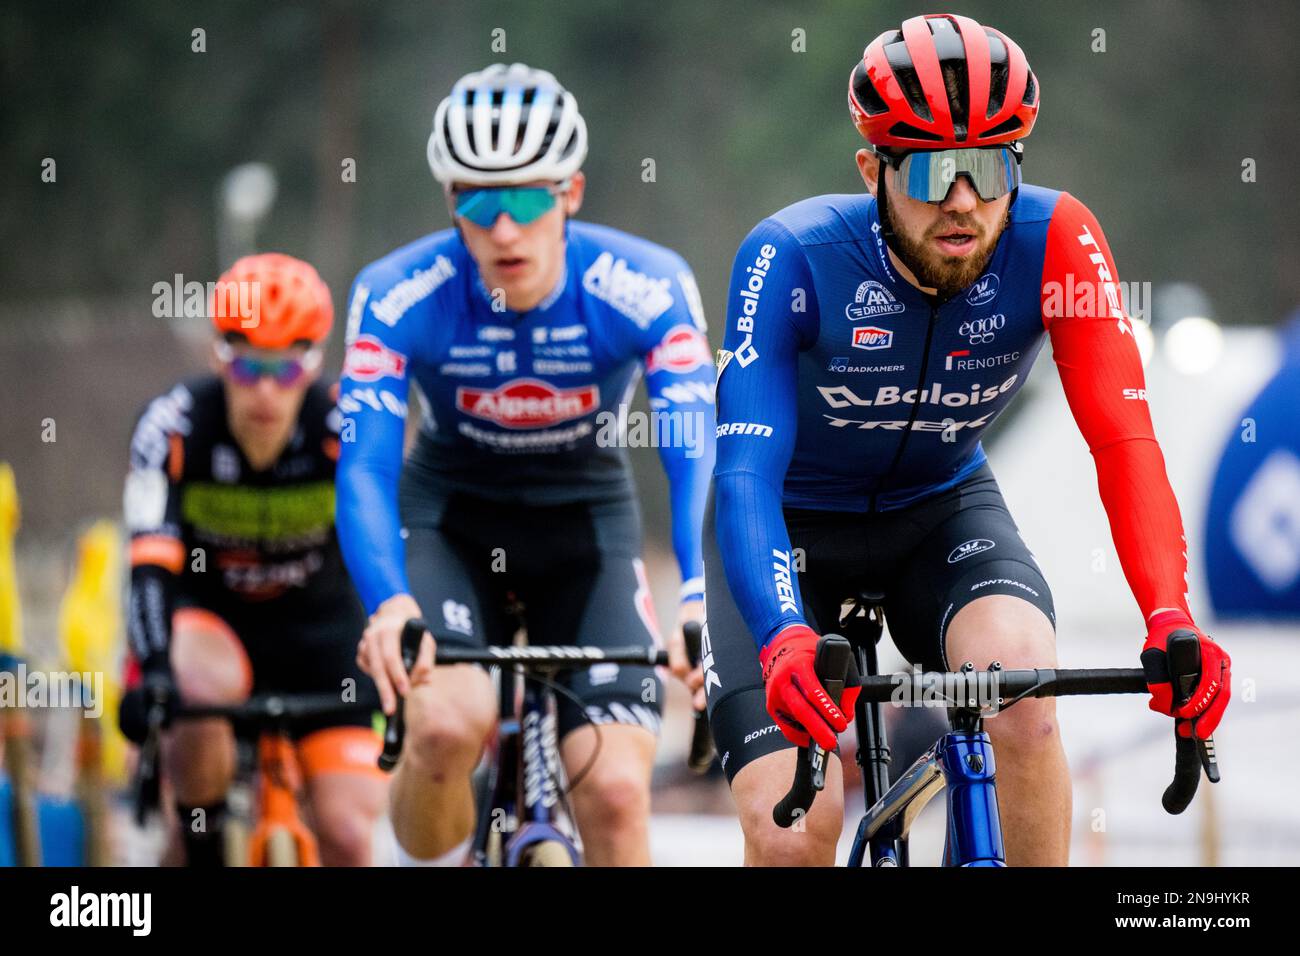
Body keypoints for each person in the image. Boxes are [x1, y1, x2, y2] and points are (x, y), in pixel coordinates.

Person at [703, 13, 1230, 866]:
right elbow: (747, 475)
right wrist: (780, 636)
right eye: (930, 168)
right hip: (787, 531)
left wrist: (1171, 617)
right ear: (873, 170)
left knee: (1024, 691)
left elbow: (1125, 442)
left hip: (938, 514)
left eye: (988, 168)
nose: (961, 199)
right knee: (792, 830)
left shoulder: (1058, 241)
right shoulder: (793, 255)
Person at [336, 63, 715, 866]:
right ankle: (431, 833)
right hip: (451, 522)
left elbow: (693, 449)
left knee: (615, 792)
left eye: (529, 199)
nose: (504, 228)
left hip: (585, 523)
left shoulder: (645, 284)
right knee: (442, 727)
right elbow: (366, 468)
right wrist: (390, 601)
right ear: (451, 205)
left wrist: (695, 591)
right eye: (478, 200)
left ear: (571, 193)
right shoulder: (397, 292)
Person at [121, 253, 387, 866]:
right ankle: (204, 838)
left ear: (314, 365)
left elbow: (391, 549)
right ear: (219, 357)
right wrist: (154, 668)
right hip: (214, 627)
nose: (266, 390)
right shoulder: (173, 426)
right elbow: (147, 569)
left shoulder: (346, 426)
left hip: (323, 637)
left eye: (287, 369)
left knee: (348, 834)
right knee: (197, 693)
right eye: (247, 366)